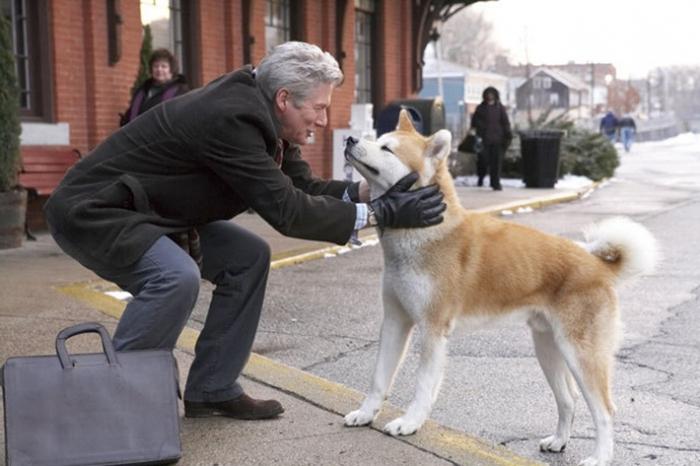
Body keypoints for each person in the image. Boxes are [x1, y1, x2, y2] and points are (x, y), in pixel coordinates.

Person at [44, 42, 445, 421]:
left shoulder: (265, 112)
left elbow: (301, 187)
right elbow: (288, 211)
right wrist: (381, 213)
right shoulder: (232, 119)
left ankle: (213, 388)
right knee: (174, 278)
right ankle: (105, 402)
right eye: (319, 108)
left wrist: (373, 190)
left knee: (248, 257)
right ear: (285, 99)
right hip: (96, 211)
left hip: (153, 212)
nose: (323, 121)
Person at [119, 48, 189, 127]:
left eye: (164, 66)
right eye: (156, 66)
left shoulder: (180, 92)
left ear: (172, 70)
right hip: (137, 136)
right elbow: (130, 114)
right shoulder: (142, 91)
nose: (159, 69)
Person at [470, 86, 512, 191]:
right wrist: (480, 130)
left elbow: (505, 122)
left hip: (498, 140)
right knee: (483, 161)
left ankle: (495, 183)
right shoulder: (480, 108)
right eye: (488, 94)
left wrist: (508, 134)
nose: (490, 96)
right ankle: (481, 177)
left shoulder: (500, 108)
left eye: (492, 94)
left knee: (496, 163)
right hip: (484, 141)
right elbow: (474, 123)